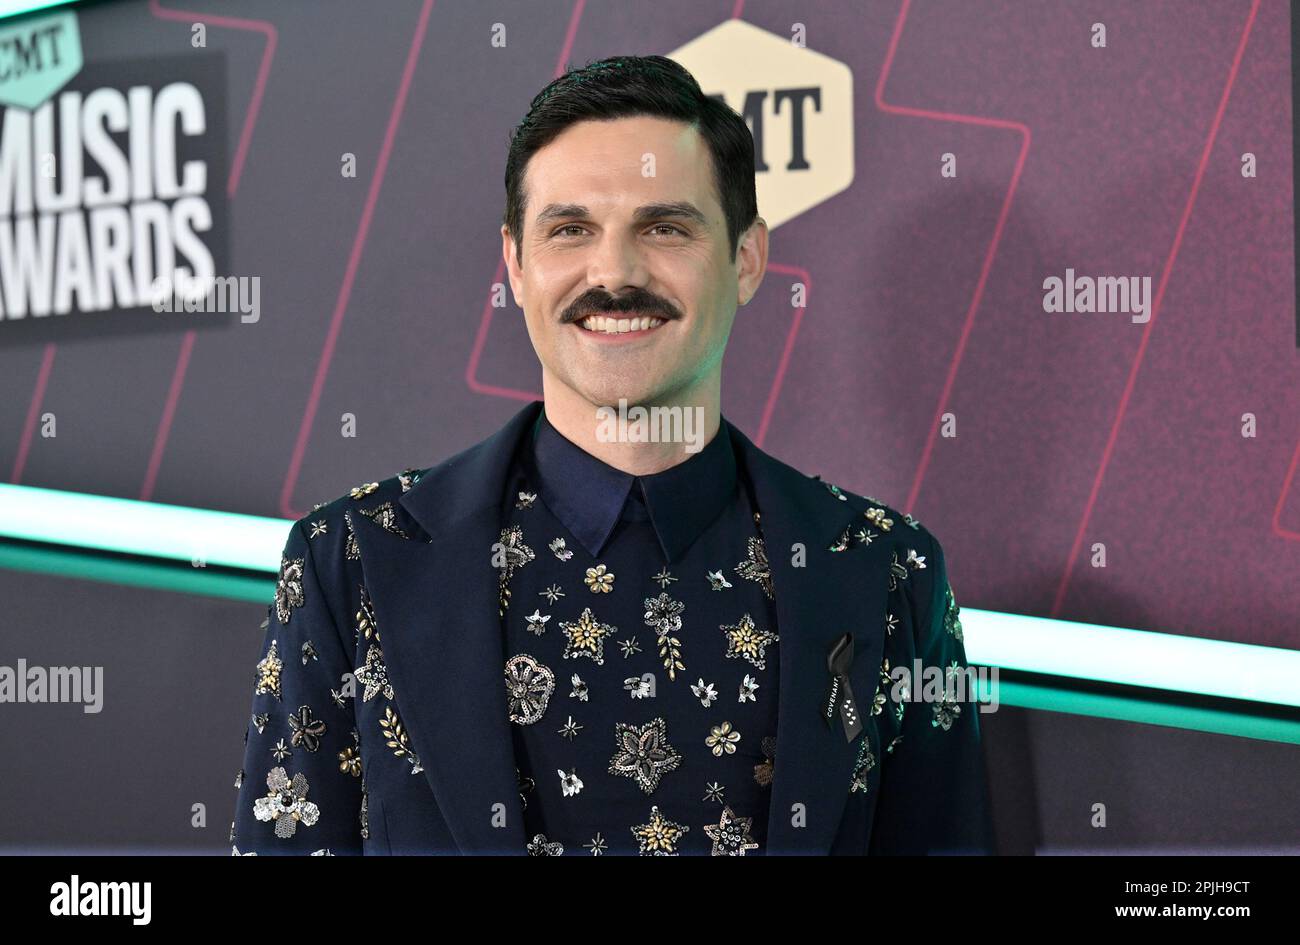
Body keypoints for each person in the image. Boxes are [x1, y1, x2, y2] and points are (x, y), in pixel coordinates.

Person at [230, 54, 993, 856]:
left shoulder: (888, 569)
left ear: (746, 258)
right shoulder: (349, 561)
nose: (616, 274)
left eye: (665, 227)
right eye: (570, 230)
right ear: (515, 265)